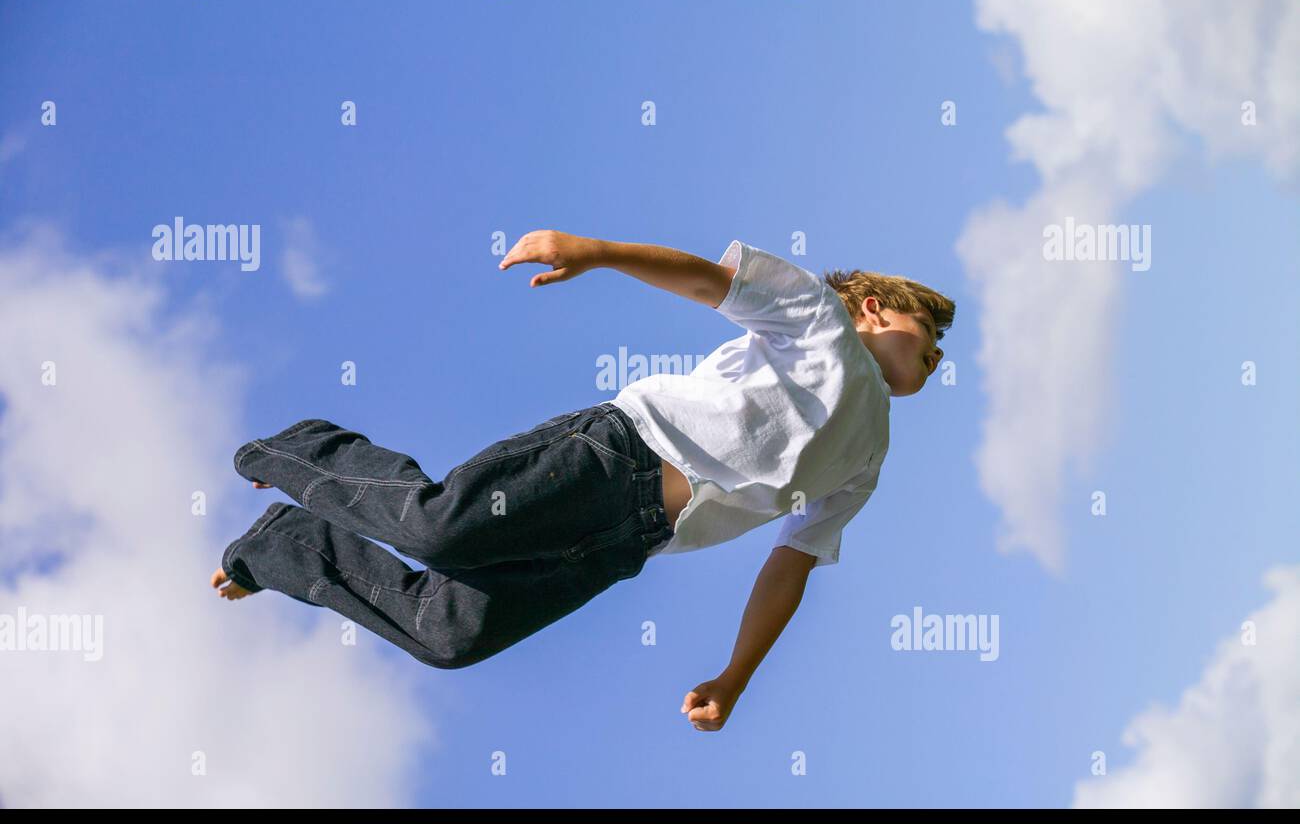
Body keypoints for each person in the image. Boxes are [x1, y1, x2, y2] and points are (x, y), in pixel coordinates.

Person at [212, 230, 954, 731]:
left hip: (623, 546)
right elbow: (709, 283)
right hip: (612, 458)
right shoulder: (819, 319)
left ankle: (286, 547)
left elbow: (789, 565)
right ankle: (297, 450)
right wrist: (594, 252)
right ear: (874, 309)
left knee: (450, 635)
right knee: (440, 528)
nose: (937, 357)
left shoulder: (866, 463)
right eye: (931, 336)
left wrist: (737, 675)